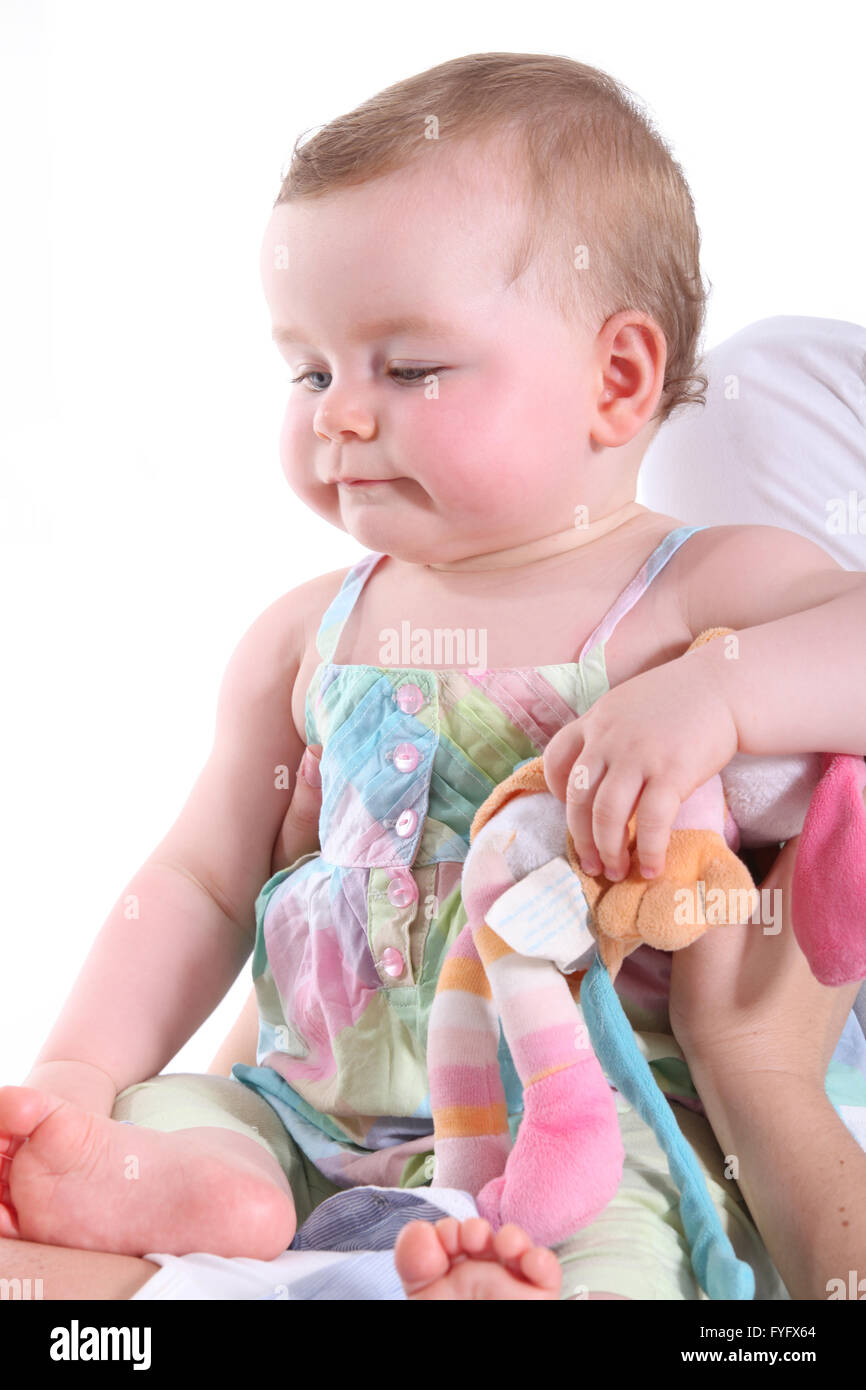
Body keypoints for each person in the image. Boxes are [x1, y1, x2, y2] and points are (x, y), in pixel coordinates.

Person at [2, 51, 865, 1301]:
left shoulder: (697, 589)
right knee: (185, 1109)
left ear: (615, 378)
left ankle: (518, 1280)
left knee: (625, 1242)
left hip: (576, 1127)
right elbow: (195, 880)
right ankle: (209, 1195)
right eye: (308, 371)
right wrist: (77, 1076)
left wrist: (716, 693)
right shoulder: (306, 634)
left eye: (406, 369)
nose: (338, 416)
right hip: (305, 1107)